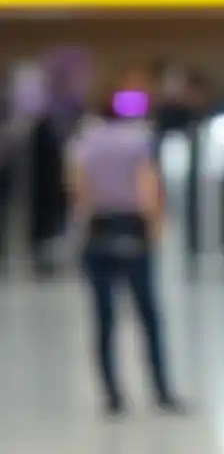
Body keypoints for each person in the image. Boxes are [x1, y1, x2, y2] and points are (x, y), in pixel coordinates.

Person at [67, 78, 183, 417]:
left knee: (104, 317)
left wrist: (83, 230)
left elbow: (78, 191)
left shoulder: (84, 143)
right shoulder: (139, 142)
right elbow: (148, 188)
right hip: (132, 227)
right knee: (148, 315)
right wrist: (156, 229)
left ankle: (113, 395)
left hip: (98, 228)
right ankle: (161, 391)